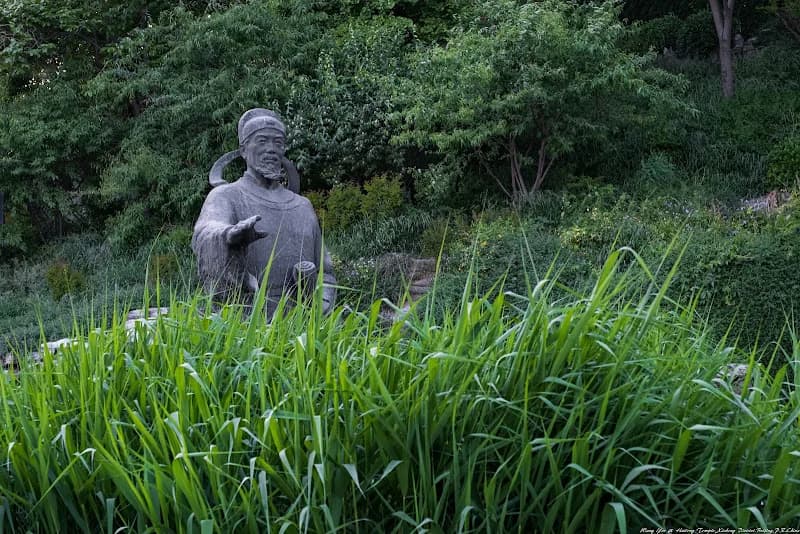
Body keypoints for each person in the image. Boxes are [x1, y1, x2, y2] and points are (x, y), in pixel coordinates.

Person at [192, 108, 336, 315]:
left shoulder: (302, 206)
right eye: (261, 141)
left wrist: (321, 303)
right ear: (243, 150)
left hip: (300, 325)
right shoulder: (226, 195)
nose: (271, 149)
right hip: (248, 321)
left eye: (278, 143)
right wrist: (228, 236)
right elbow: (208, 229)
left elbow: (326, 273)